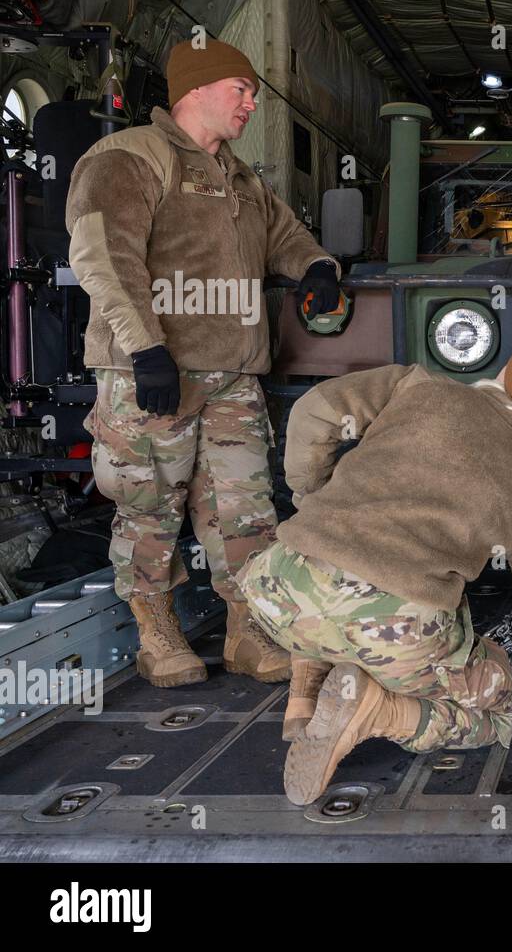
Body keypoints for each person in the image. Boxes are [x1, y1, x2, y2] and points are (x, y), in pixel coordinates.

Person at [66, 38, 344, 688]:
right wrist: (145, 348)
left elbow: (286, 236)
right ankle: (156, 635)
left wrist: (318, 269)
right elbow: (105, 257)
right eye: (239, 90)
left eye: (252, 92)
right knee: (149, 505)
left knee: (246, 512)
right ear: (194, 89)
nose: (251, 102)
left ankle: (247, 633)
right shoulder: (128, 157)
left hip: (231, 377)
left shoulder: (241, 179)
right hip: (152, 370)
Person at [237, 340, 512, 806]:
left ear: (510, 366)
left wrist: (310, 500)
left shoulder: (416, 384)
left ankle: (306, 688)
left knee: (323, 603)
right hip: (391, 632)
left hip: (275, 590)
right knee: (496, 709)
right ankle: (378, 712)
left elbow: (314, 409)